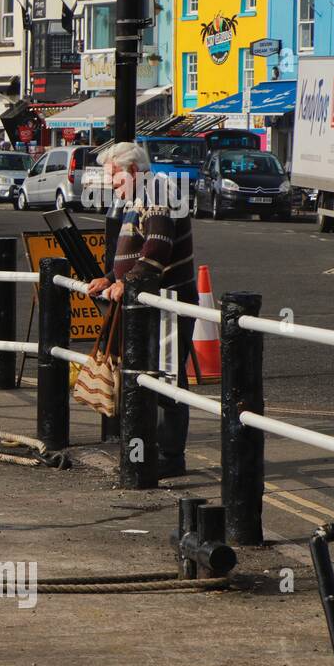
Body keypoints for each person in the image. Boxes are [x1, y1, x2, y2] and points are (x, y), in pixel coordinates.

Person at [85, 140, 196, 479]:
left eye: (115, 180)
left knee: (168, 379)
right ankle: (153, 450)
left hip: (168, 303)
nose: (113, 188)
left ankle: (171, 456)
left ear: (133, 171)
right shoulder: (139, 196)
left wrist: (128, 280)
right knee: (149, 376)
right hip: (150, 302)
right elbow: (132, 249)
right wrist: (108, 278)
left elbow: (157, 248)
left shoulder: (159, 191)